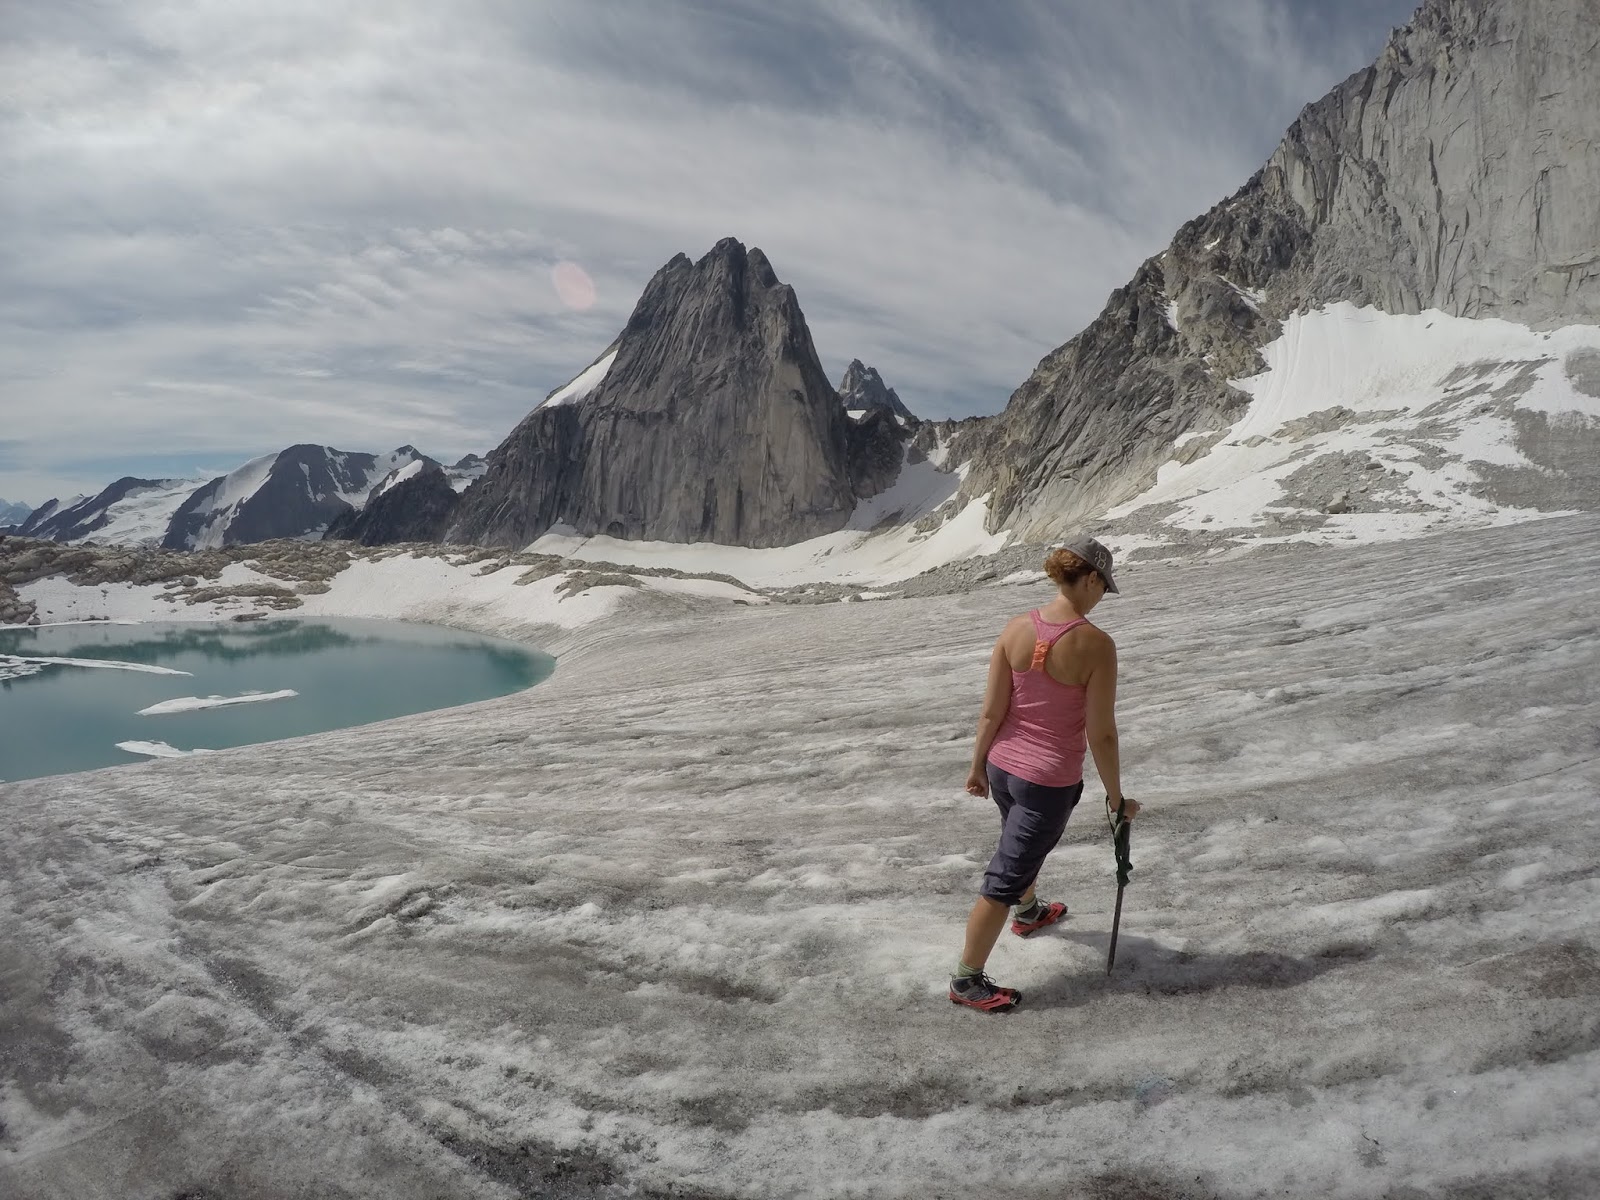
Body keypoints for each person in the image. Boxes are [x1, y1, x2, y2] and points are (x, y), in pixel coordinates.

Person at [949, 535, 1140, 1012]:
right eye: (1103, 586)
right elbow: (1102, 734)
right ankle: (966, 982)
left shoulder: (1016, 629)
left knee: (1017, 842)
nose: (1102, 597)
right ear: (1090, 578)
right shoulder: (1095, 644)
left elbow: (991, 711)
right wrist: (1117, 800)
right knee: (1004, 877)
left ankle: (1030, 911)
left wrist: (977, 766)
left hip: (1003, 767)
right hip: (1048, 779)